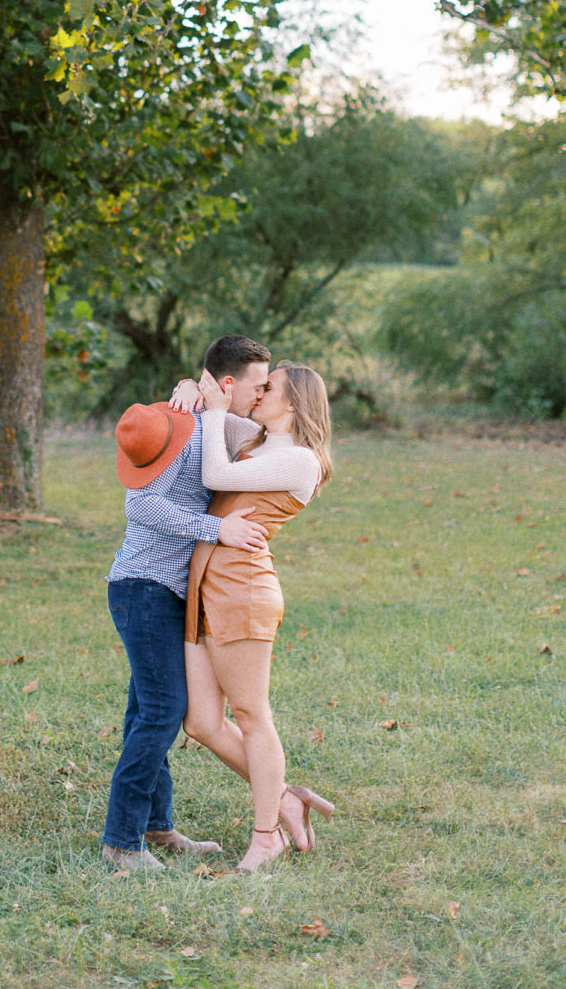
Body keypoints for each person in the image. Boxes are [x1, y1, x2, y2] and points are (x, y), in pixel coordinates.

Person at [102, 334, 274, 872]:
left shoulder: (216, 426)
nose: (263, 394)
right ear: (229, 384)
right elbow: (142, 504)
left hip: (168, 590)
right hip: (145, 585)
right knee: (162, 712)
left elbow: (266, 432)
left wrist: (192, 385)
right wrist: (214, 529)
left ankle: (156, 826)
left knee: (146, 711)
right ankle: (121, 843)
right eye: (257, 386)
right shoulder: (187, 432)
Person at [175, 359, 337, 873]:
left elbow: (214, 472)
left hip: (242, 588)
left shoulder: (300, 461)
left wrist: (218, 409)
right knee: (201, 722)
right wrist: (189, 385)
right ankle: (287, 797)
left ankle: (266, 837)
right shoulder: (259, 439)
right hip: (205, 584)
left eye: (269, 388)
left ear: (292, 403)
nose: (258, 392)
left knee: (250, 714)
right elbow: (209, 408)